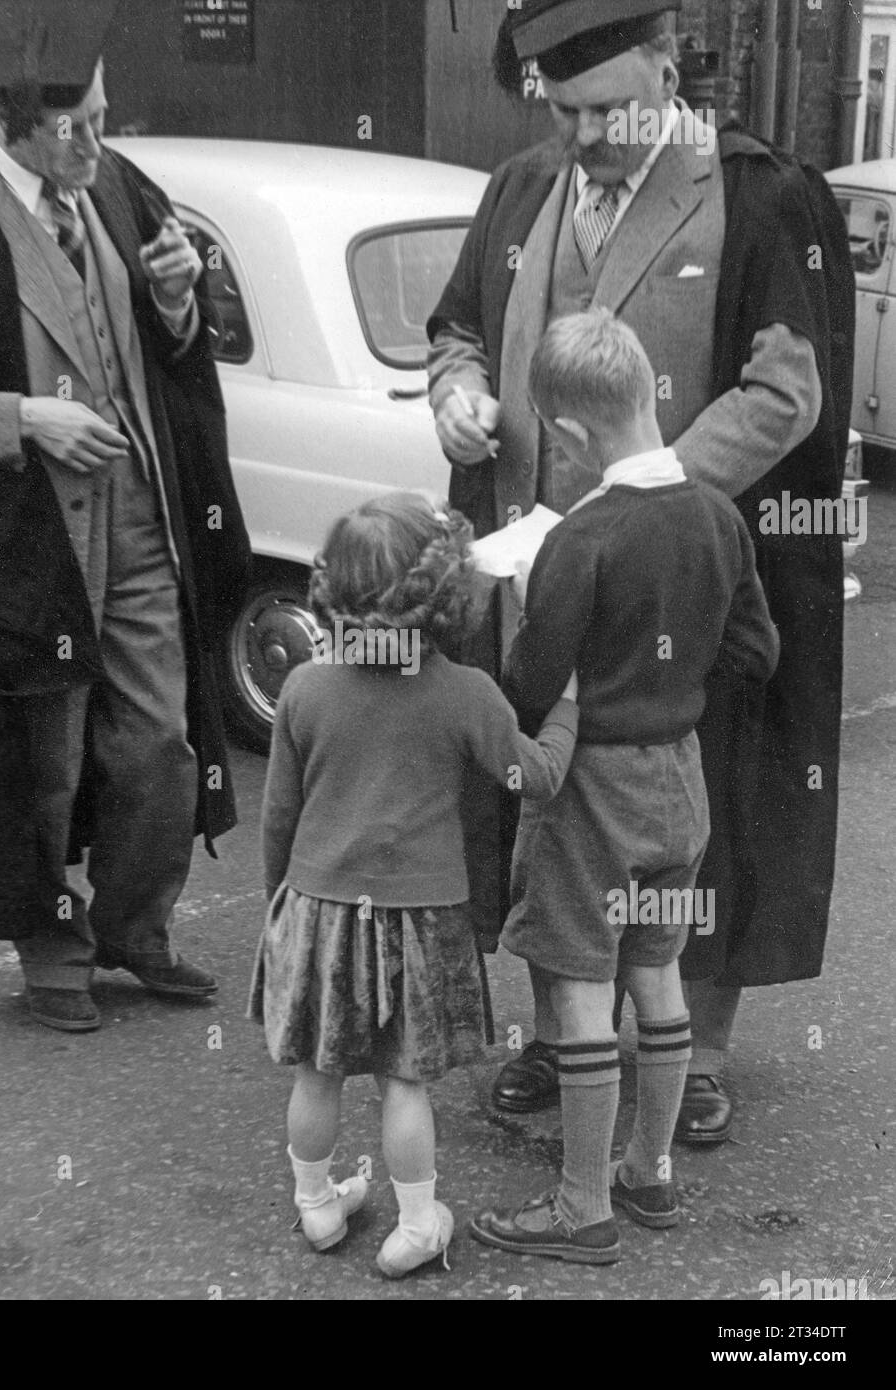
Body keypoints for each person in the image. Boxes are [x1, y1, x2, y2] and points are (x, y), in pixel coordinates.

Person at [428, 0, 854, 1144]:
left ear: (668, 71)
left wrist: (638, 489)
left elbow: (784, 393)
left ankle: (699, 1049)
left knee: (691, 809)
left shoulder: (760, 196)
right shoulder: (521, 190)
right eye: (561, 110)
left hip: (681, 585)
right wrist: (458, 398)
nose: (580, 133)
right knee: (543, 798)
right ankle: (558, 1030)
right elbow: (457, 328)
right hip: (541, 577)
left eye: (604, 107)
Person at [0, 0, 251, 1032]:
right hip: (22, 541)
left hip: (136, 515)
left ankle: (136, 924)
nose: (99, 140)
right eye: (79, 123)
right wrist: (28, 419)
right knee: (45, 749)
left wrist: (176, 298)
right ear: (21, 118)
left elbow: (175, 347)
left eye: (104, 115)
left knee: (160, 738)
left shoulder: (114, 189)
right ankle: (54, 950)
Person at [470, 310, 780, 1262]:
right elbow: (755, 653)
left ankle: (578, 1206)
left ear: (563, 434)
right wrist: (668, 683)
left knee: (575, 985)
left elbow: (530, 682)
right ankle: (649, 1174)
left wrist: (526, 600)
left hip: (592, 795)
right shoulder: (720, 516)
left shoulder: (581, 537)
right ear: (650, 392)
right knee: (654, 970)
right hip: (678, 783)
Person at [247, 492, 579, 1277]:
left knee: (317, 1070)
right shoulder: (464, 691)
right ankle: (417, 1225)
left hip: (317, 907)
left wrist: (278, 911)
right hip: (417, 919)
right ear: (443, 593)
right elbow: (534, 778)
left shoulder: (303, 688)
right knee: (403, 1082)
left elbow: (278, 820)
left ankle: (319, 1205)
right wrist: (565, 709)